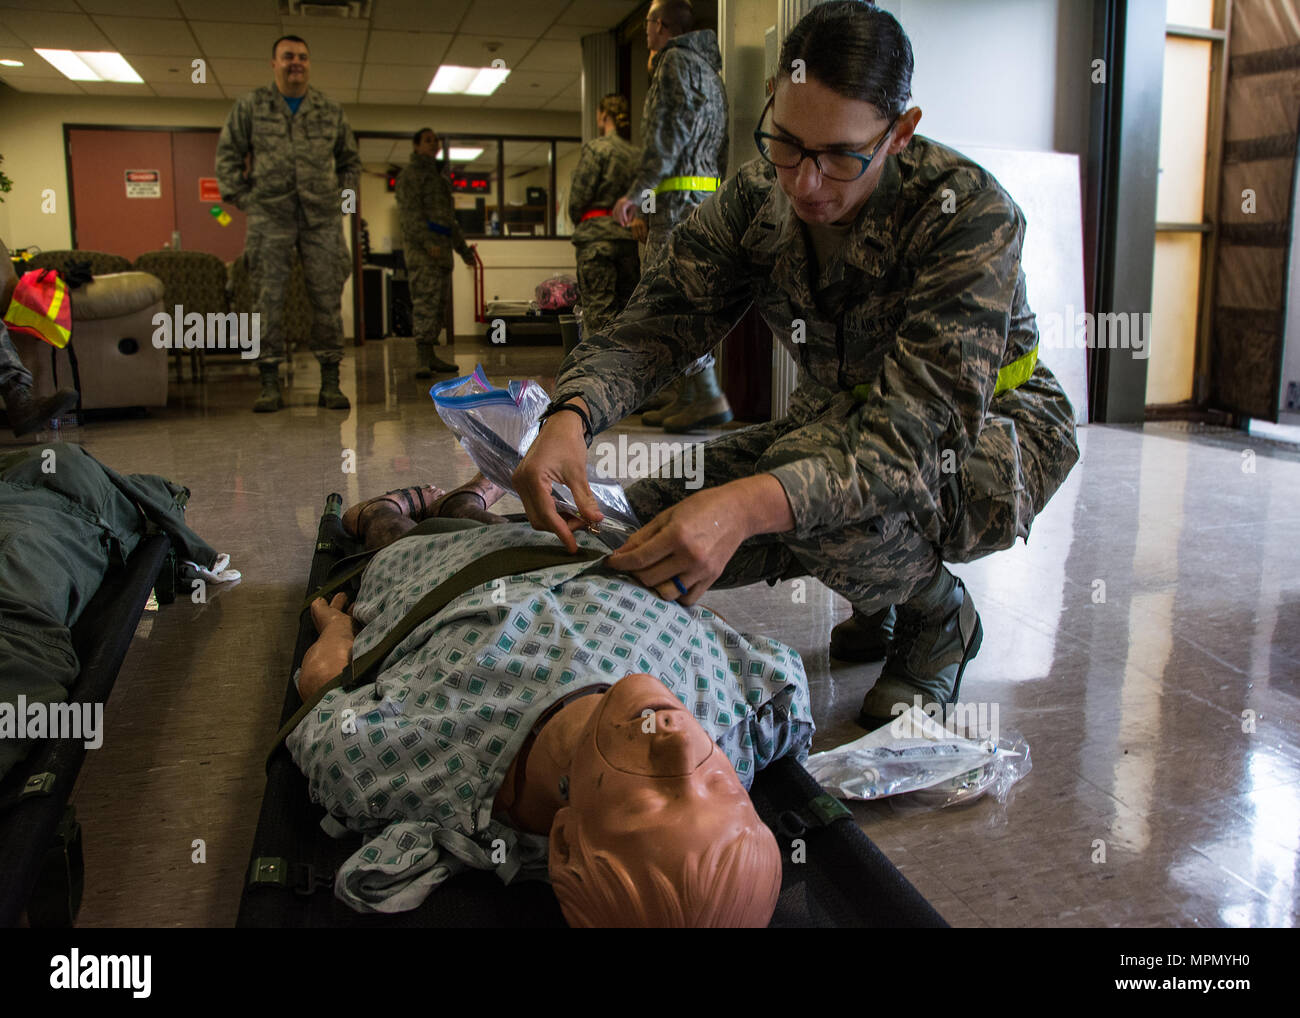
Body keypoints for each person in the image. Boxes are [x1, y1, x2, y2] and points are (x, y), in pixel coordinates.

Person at [514, 1, 1080, 729]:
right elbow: (663, 317)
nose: (805, 183)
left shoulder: (968, 215)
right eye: (786, 142)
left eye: (841, 155)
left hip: (986, 433)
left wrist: (747, 506)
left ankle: (937, 615)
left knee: (799, 494)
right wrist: (573, 414)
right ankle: (883, 588)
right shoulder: (759, 195)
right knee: (645, 517)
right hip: (843, 419)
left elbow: (908, 444)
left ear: (900, 133)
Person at [286, 490, 812, 923]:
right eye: (721, 787)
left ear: (562, 842)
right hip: (572, 552)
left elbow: (324, 700)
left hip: (436, 573)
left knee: (392, 537)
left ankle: (397, 509)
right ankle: (469, 500)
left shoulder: (428, 765)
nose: (679, 741)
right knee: (495, 519)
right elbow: (789, 684)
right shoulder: (741, 724)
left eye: (650, 803)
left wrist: (337, 633)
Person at [216, 34, 361, 413]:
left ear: (309, 63)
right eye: (288, 56)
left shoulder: (330, 110)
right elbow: (228, 158)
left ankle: (330, 381)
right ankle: (269, 383)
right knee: (267, 301)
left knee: (327, 299)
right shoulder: (250, 106)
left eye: (302, 57)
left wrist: (341, 205)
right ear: (274, 63)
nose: (296, 62)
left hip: (321, 219)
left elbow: (350, 163)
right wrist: (248, 201)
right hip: (270, 217)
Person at [611, 0, 732, 433]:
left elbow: (668, 135)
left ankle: (705, 394)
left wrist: (636, 194)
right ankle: (687, 395)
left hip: (675, 204)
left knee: (668, 296)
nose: (645, 31)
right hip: (703, 200)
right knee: (688, 294)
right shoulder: (711, 73)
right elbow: (721, 146)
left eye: (647, 24)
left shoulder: (673, 63)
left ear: (661, 26)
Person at [395, 128, 475, 378]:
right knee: (424, 303)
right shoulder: (410, 176)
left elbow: (449, 221)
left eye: (436, 141)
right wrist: (427, 243)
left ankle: (430, 355)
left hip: (442, 253)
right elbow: (410, 217)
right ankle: (422, 356)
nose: (434, 144)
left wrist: (463, 251)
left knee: (438, 304)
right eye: (428, 141)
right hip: (423, 253)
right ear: (416, 146)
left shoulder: (440, 179)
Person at [568, 96, 640, 336]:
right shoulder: (636, 155)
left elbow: (578, 198)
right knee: (625, 316)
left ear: (603, 116)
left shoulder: (596, 150)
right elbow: (646, 198)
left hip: (596, 242)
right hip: (626, 242)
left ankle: (599, 372)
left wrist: (579, 217)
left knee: (599, 317)